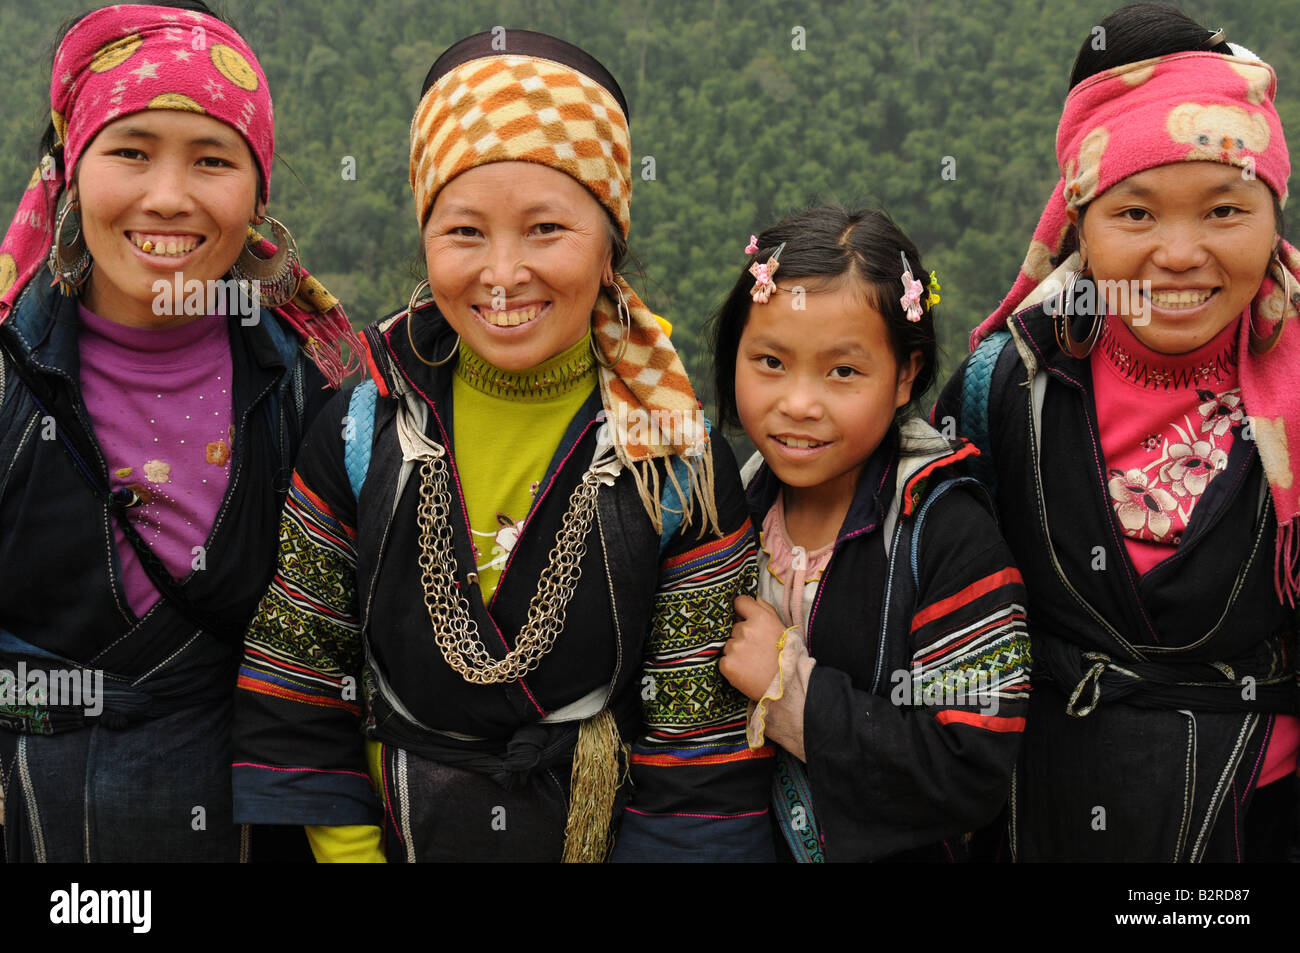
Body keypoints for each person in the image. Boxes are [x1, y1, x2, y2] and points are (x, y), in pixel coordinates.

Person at [232, 29, 773, 862]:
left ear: (610, 243)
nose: (503, 272)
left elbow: (696, 738)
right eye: (465, 232)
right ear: (425, 239)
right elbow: (300, 660)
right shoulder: (362, 424)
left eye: (547, 228)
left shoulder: (673, 456)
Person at [934, 3, 1299, 861]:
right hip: (1036, 817)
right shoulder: (1005, 385)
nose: (1179, 253)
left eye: (1223, 211)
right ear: (1080, 227)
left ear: (1272, 218)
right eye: (1135, 215)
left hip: (1254, 823)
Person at [0, 1, 358, 862]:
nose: (168, 196)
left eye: (211, 159)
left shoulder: (314, 389)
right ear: (71, 174)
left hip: (243, 821)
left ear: (257, 192)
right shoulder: (12, 376)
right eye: (129, 151)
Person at [712, 206, 1030, 861]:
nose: (799, 402)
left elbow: (970, 767)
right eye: (770, 360)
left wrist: (789, 690)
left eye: (842, 372)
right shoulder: (730, 512)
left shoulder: (944, 532)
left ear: (906, 375)